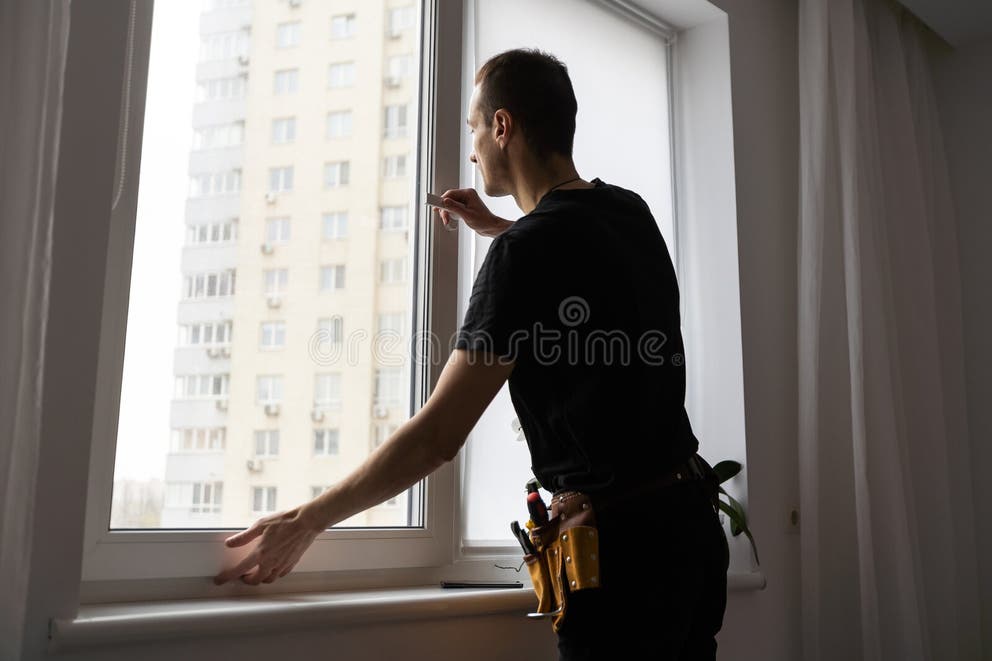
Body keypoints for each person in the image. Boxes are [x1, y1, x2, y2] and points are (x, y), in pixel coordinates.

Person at [214, 48, 728, 660]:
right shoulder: (628, 212)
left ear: (504, 126)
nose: (473, 147)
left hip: (622, 559)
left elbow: (438, 436)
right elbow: (584, 278)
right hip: (691, 529)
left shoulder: (524, 256)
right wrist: (500, 229)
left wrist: (308, 520)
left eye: (475, 129)